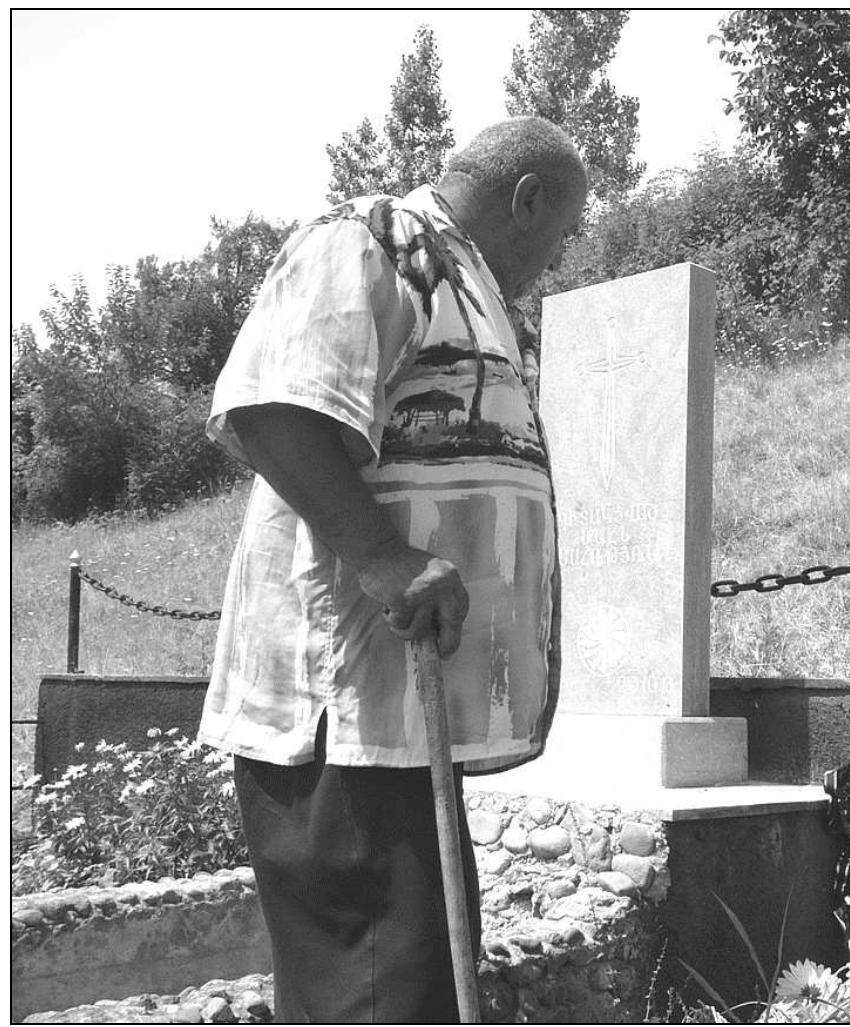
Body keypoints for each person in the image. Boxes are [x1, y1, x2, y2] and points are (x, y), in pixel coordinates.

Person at [198, 116, 588, 1023]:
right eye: (563, 234)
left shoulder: (460, 278)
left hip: (403, 729)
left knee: (415, 991)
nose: (556, 260)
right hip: (344, 724)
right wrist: (380, 554)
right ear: (527, 201)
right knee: (379, 998)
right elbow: (271, 409)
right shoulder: (375, 240)